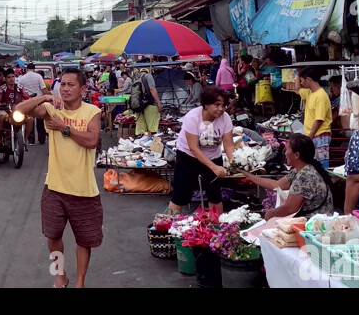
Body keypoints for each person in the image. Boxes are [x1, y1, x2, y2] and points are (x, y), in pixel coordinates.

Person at [15, 69, 102, 288]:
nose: (65, 88)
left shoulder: (93, 111)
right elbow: (18, 111)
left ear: (83, 89)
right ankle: (60, 275)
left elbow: (92, 140)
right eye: (62, 84)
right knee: (53, 236)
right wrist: (43, 96)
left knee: (85, 241)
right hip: (54, 188)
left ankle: (80, 282)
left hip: (84, 190)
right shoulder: (51, 109)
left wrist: (65, 128)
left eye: (71, 85)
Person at [169, 87, 236, 215]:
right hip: (188, 156)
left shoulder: (225, 118)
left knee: (215, 196)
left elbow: (228, 144)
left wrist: (234, 162)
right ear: (206, 104)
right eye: (217, 105)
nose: (221, 109)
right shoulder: (192, 117)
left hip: (213, 156)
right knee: (180, 196)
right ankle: (169, 227)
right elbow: (193, 147)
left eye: (224, 105)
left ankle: (217, 227)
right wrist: (214, 167)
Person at [241, 133, 334, 219]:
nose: (285, 153)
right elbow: (277, 185)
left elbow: (289, 208)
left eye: (287, 149)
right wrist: (250, 176)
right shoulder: (301, 169)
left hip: (316, 224)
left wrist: (270, 214)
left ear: (297, 155)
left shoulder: (305, 176)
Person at [293, 67, 333, 169]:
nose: (301, 83)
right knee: (314, 165)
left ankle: (325, 184)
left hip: (320, 136)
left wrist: (309, 137)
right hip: (313, 135)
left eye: (302, 81)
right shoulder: (310, 93)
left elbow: (319, 120)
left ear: (309, 79)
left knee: (322, 166)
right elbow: (297, 89)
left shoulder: (321, 95)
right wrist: (298, 74)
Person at [0, 68, 31, 146]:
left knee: (31, 119)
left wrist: (28, 100)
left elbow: (27, 97)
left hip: (18, 111)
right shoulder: (1, 89)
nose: (11, 79)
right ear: (5, 79)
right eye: (9, 77)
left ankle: (25, 140)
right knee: (2, 116)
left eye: (13, 76)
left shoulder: (20, 88)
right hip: (5, 110)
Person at [17, 62, 48, 145]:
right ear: (34, 69)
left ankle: (31, 140)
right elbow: (43, 89)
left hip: (28, 101)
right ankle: (41, 139)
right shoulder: (38, 76)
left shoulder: (22, 78)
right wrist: (48, 96)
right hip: (38, 100)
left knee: (30, 120)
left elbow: (19, 90)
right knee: (40, 120)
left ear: (27, 69)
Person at [132, 68, 161, 136]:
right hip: (149, 105)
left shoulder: (135, 78)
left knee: (141, 130)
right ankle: (151, 143)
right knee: (152, 128)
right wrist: (158, 102)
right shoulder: (148, 76)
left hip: (138, 106)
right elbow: (152, 89)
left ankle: (140, 143)